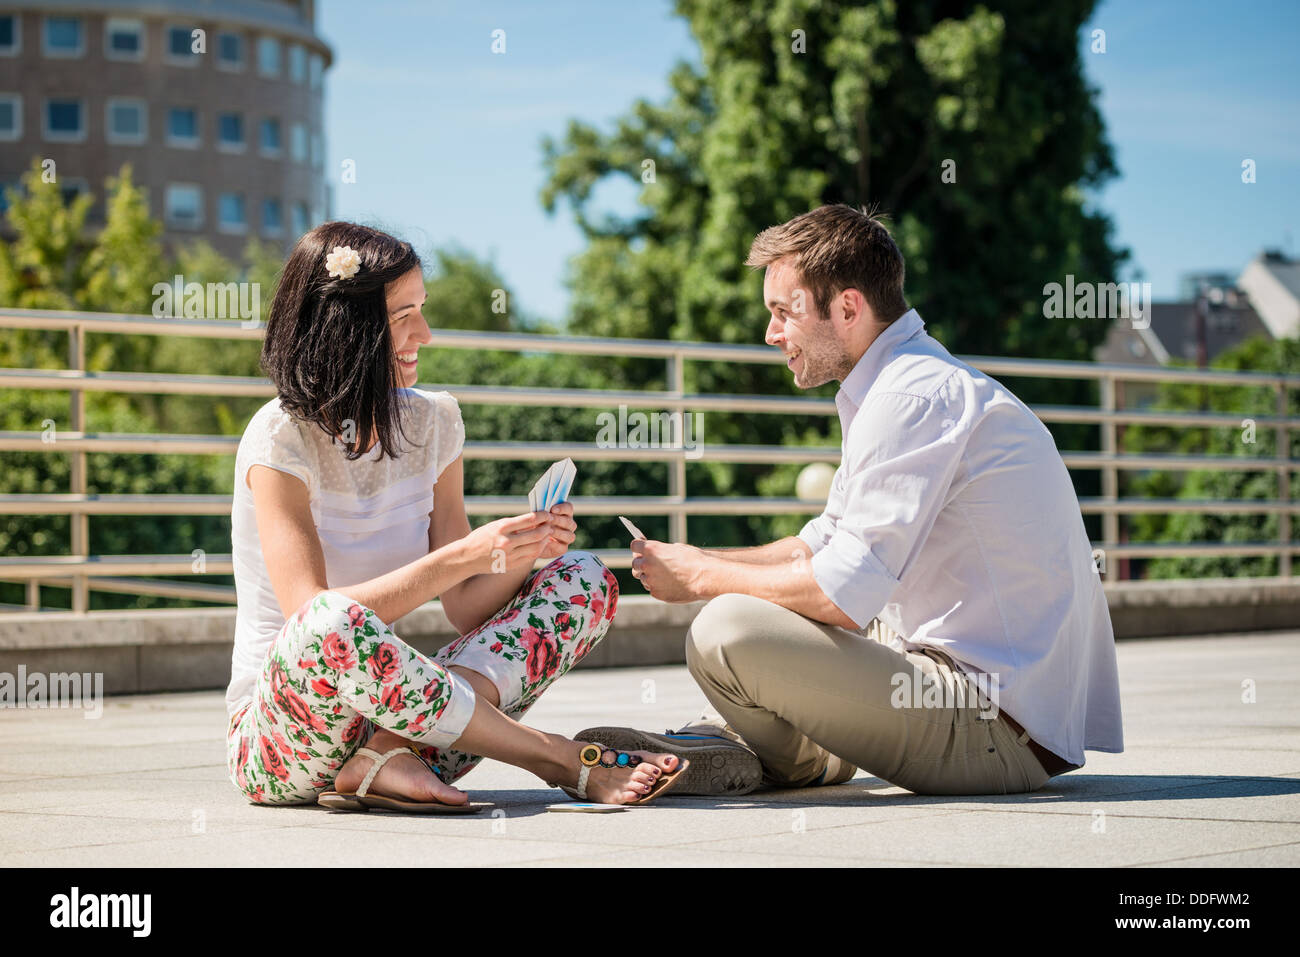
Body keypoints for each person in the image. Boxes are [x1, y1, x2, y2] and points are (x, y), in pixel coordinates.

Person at [580, 203, 1124, 797]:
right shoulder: (901, 385)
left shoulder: (912, 397)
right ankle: (783, 746)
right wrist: (696, 556)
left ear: (847, 307)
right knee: (761, 606)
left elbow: (839, 596)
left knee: (726, 628)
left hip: (994, 728)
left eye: (784, 312)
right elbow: (819, 544)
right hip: (967, 695)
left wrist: (705, 577)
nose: (771, 334)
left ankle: (787, 753)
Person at [225, 221, 683, 811]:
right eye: (402, 316)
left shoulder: (435, 423)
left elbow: (464, 604)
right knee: (326, 621)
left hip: (409, 720)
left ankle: (386, 757)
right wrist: (464, 555)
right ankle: (555, 756)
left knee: (583, 580)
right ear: (348, 327)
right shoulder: (279, 438)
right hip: (284, 740)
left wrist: (518, 554)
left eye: (423, 309)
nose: (425, 333)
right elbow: (306, 617)